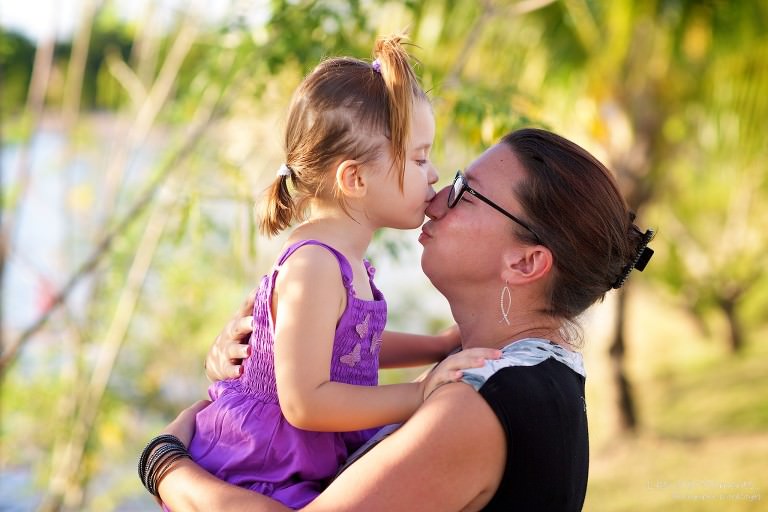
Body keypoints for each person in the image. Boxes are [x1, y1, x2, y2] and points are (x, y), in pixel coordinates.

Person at [141, 127, 654, 511]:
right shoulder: (525, 374)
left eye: (465, 192)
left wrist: (166, 462)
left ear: (525, 262)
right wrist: (262, 367)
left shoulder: (474, 404)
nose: (434, 202)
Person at [157, 34, 500, 510]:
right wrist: (420, 392)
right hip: (259, 466)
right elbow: (305, 402)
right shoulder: (315, 265)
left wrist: (438, 346)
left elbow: (349, 350)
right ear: (354, 178)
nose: (436, 172)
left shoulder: (345, 260)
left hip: (294, 457)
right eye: (420, 158)